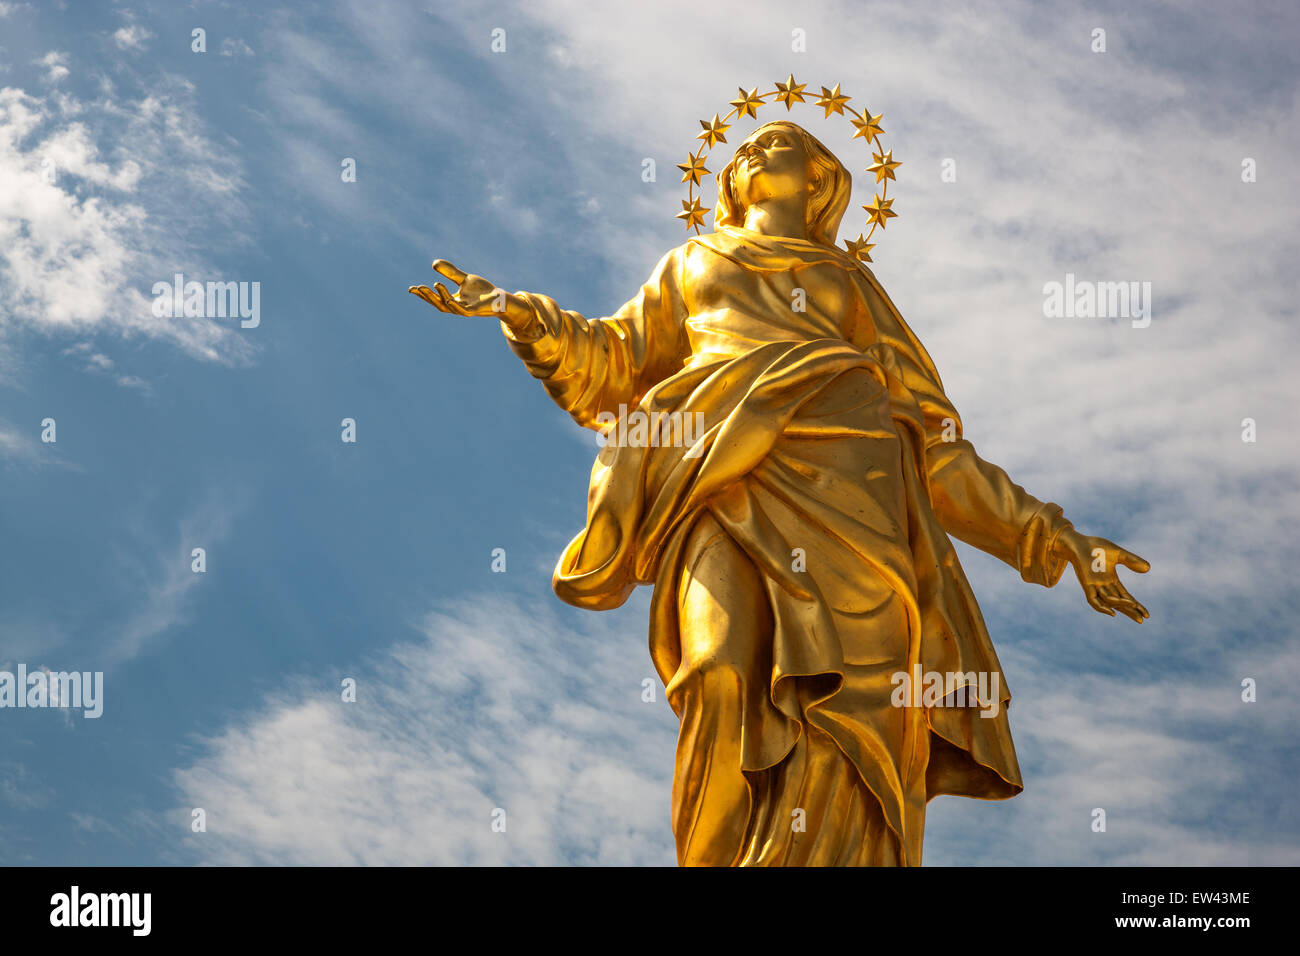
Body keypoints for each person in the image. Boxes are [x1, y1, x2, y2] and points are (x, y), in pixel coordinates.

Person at [410, 120, 1149, 866]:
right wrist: (519, 313)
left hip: (857, 497)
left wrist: (1059, 539)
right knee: (718, 673)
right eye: (743, 150)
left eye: (779, 144)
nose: (752, 152)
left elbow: (940, 450)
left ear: (821, 179)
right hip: (719, 471)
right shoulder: (693, 261)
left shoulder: (853, 284)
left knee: (851, 713)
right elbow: (614, 360)